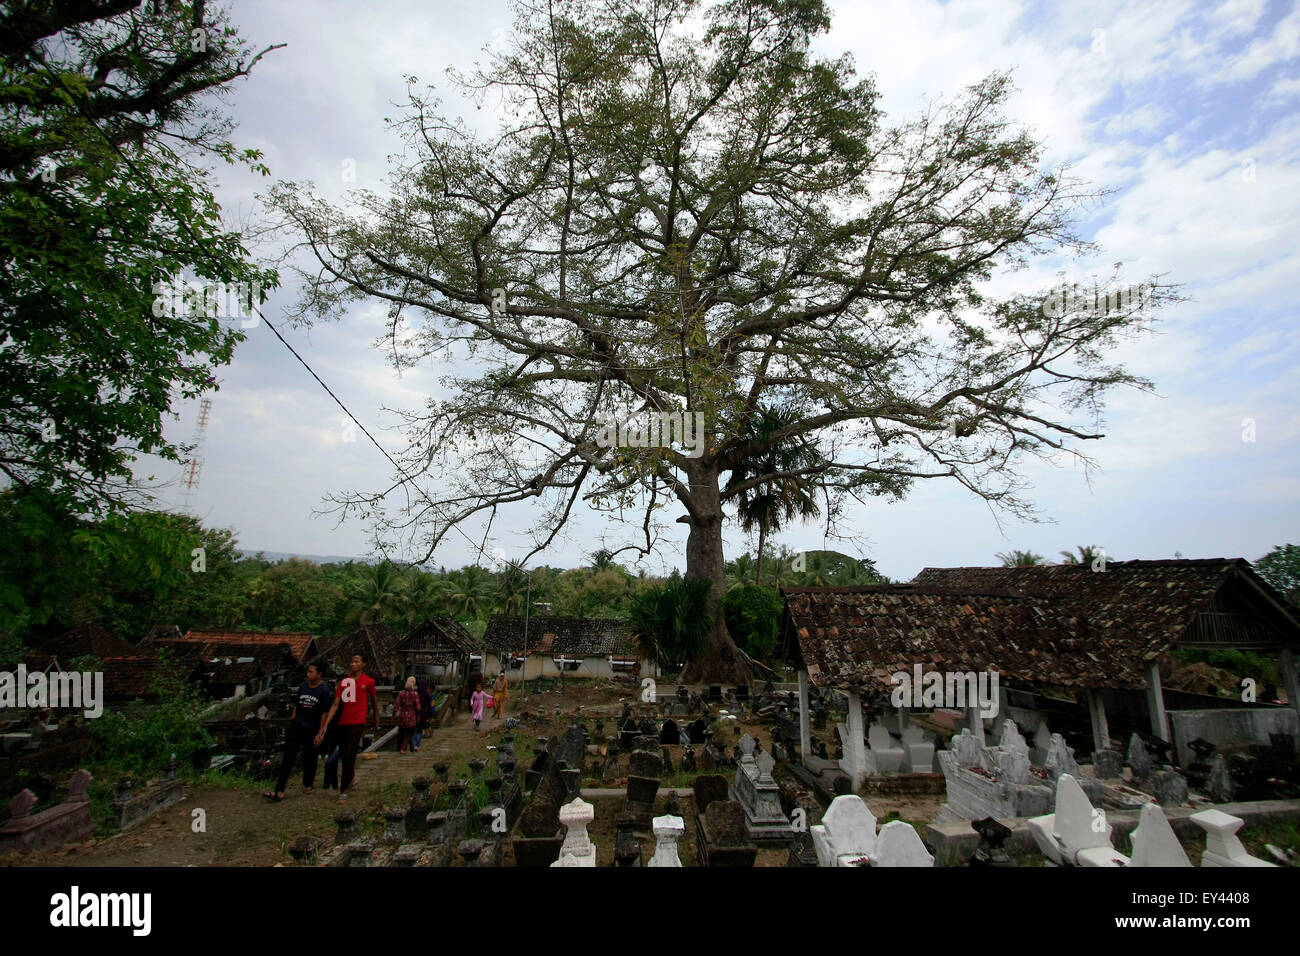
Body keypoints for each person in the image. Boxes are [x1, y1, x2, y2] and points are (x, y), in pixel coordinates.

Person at [265, 664, 333, 801]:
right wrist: (294, 719)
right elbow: (296, 705)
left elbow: (325, 713)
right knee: (288, 758)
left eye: (311, 672)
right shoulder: (303, 687)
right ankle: (279, 789)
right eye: (308, 671)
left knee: (310, 757)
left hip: (312, 728)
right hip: (297, 727)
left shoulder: (324, 691)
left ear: (319, 674)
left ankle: (308, 784)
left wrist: (321, 732)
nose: (308, 674)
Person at [316, 653, 379, 802]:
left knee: (350, 752)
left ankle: (343, 790)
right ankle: (350, 777)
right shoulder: (344, 682)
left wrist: (376, 718)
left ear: (363, 664)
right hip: (344, 722)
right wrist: (325, 725)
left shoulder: (368, 682)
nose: (353, 664)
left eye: (356, 662)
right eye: (352, 662)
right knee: (344, 754)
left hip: (358, 721)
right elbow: (336, 704)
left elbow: (374, 702)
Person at [396, 676, 421, 754]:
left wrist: (394, 714)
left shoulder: (401, 693)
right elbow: (418, 707)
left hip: (403, 715)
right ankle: (403, 749)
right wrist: (418, 716)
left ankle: (402, 748)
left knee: (403, 732)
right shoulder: (415, 694)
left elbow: (396, 705)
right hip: (411, 715)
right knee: (409, 733)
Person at [413, 677, 433, 751]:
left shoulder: (415, 694)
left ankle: (412, 744)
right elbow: (429, 707)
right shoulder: (427, 695)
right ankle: (417, 745)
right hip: (423, 714)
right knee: (420, 730)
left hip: (415, 714)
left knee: (414, 729)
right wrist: (430, 715)